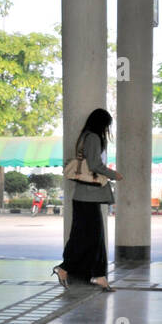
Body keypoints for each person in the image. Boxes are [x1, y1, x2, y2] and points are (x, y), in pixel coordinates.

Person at [55, 108, 121, 291]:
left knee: (86, 236)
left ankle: (93, 274)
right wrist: (113, 174)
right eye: (107, 125)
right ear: (102, 124)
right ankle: (68, 269)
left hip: (83, 197)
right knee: (89, 236)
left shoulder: (85, 136)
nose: (107, 129)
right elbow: (94, 165)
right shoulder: (93, 138)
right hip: (88, 198)